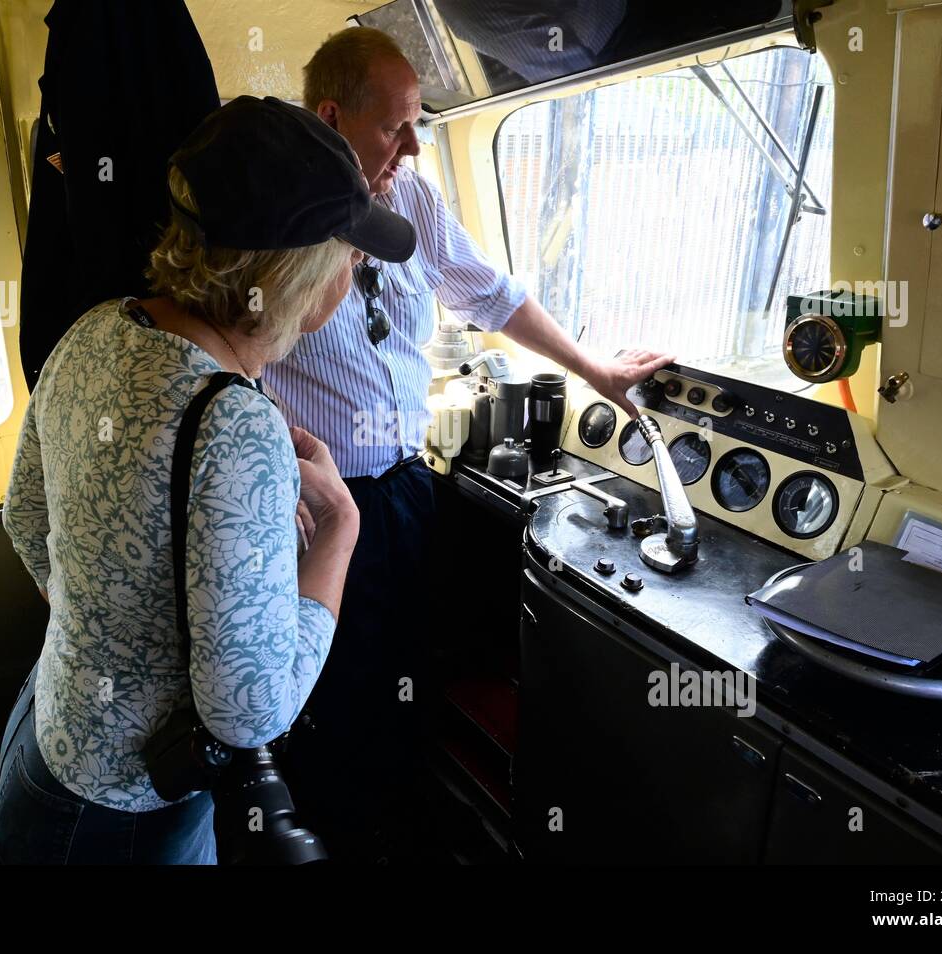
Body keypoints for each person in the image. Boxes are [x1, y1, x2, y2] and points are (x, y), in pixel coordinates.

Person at [265, 27, 675, 862]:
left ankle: (397, 833)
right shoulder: (276, 211)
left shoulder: (411, 194)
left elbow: (489, 294)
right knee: (326, 698)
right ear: (333, 116)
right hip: (315, 503)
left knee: (406, 680)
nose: (414, 146)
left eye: (421, 125)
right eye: (397, 128)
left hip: (403, 488)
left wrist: (593, 368)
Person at [0, 95, 416, 864]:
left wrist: (106, 632)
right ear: (298, 270)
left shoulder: (97, 328)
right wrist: (341, 536)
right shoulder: (234, 422)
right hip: (125, 812)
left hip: (42, 748)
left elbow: (23, 516)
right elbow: (248, 716)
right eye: (349, 256)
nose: (354, 274)